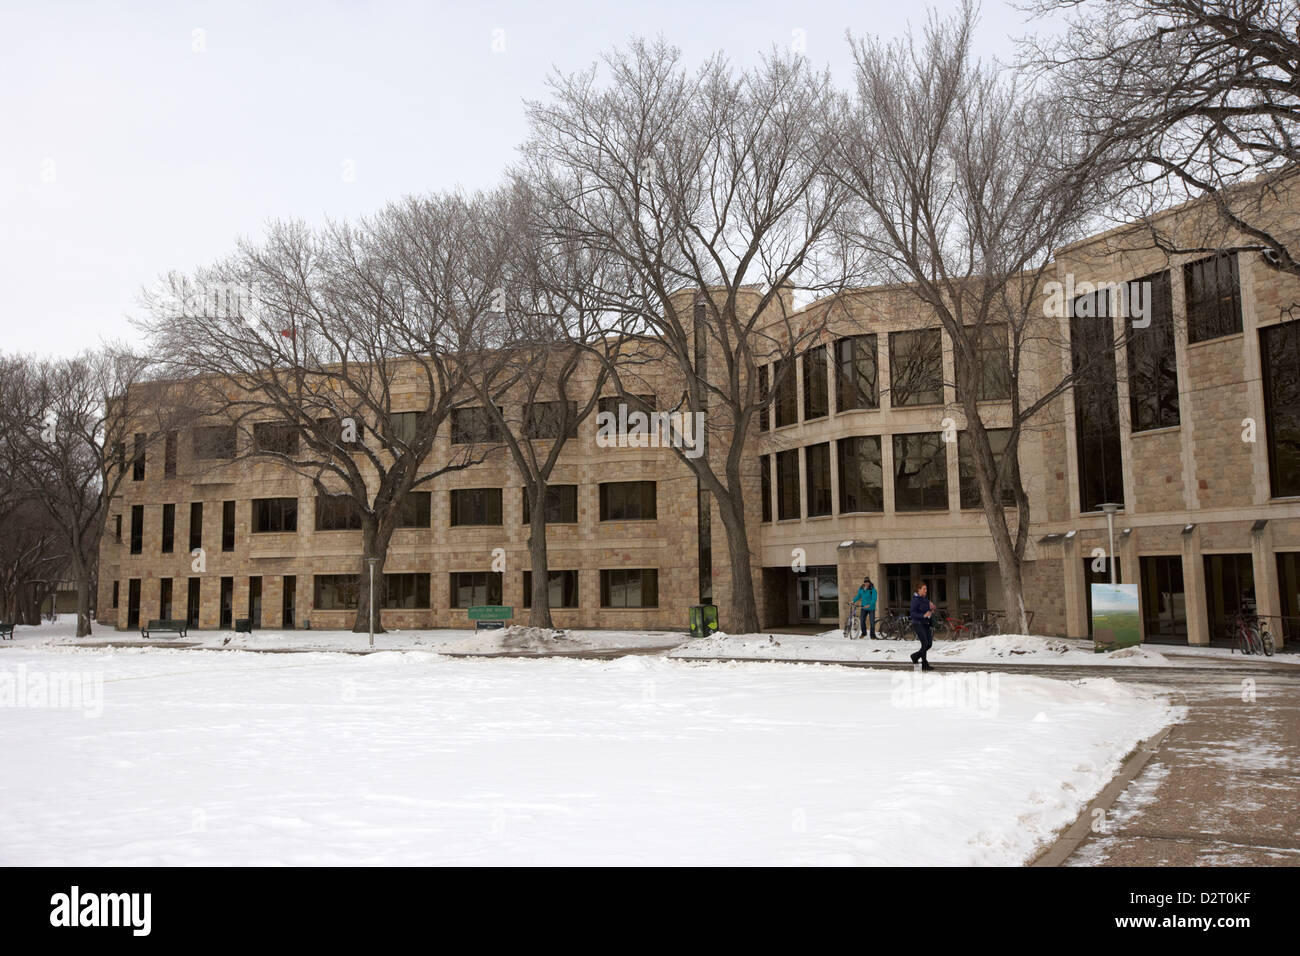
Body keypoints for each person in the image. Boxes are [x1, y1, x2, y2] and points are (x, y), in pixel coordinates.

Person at [909, 582, 936, 671]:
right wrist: (923, 615)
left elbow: (927, 610)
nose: (926, 591)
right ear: (919, 590)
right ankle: (924, 663)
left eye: (926, 589)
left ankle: (915, 656)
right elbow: (912, 614)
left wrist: (931, 609)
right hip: (918, 623)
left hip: (926, 623)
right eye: (924, 589)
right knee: (924, 643)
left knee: (929, 644)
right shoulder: (915, 600)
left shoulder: (925, 599)